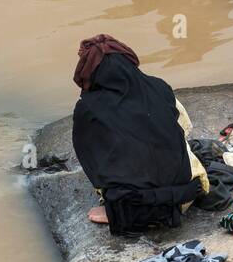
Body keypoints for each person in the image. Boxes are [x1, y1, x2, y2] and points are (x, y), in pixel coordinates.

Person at [71, 33, 208, 234]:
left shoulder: (88, 108)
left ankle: (115, 211)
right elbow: (184, 129)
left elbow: (93, 164)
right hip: (186, 196)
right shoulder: (159, 86)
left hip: (135, 210)